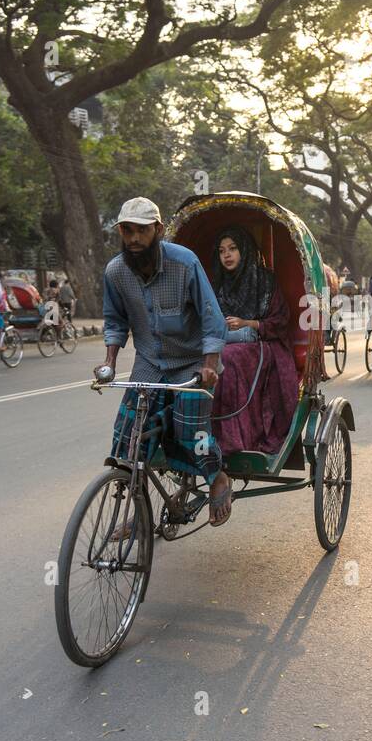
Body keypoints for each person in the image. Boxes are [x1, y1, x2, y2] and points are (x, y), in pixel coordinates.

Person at [96, 196, 234, 526]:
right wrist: (110, 363)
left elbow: (212, 318)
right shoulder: (115, 271)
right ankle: (138, 512)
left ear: (157, 230)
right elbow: (115, 321)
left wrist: (210, 365)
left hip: (190, 362)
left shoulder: (184, 263)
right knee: (128, 438)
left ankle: (217, 478)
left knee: (192, 432)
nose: (133, 239)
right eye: (127, 231)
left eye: (141, 231)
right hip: (149, 362)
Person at [209, 227, 300, 457]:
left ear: (245, 250)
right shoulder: (218, 283)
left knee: (227, 359)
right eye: (221, 251)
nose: (226, 255)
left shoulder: (265, 281)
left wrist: (248, 324)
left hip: (265, 343)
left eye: (233, 249)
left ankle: (233, 439)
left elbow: (280, 321)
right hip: (226, 341)